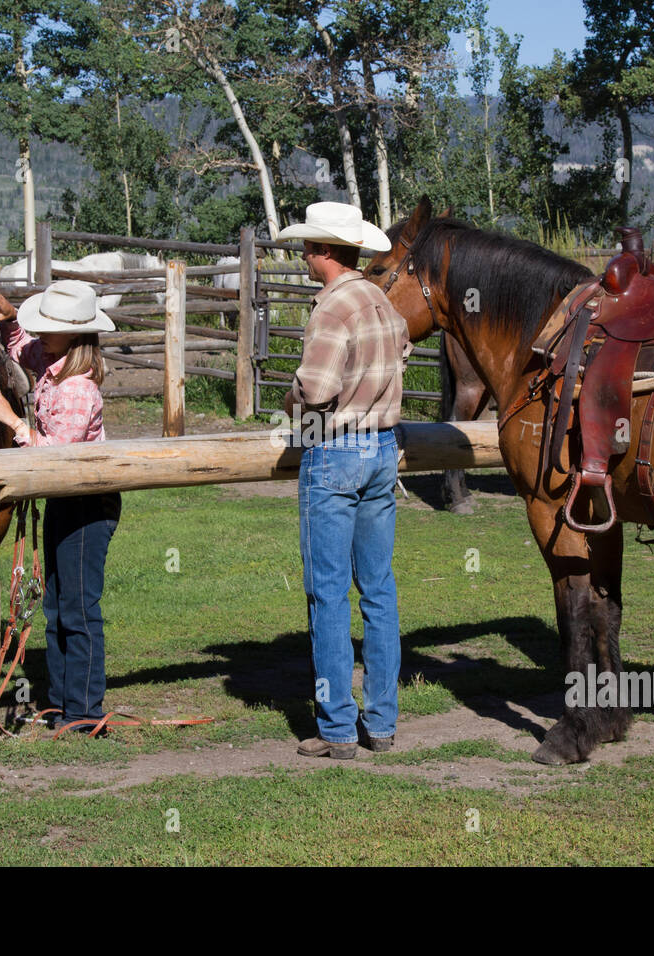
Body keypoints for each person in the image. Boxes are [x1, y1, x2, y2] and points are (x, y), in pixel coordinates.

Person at [279, 202, 412, 759]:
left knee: (328, 593)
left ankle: (337, 728)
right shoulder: (380, 300)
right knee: (377, 588)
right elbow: (403, 347)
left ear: (325, 252)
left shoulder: (332, 310)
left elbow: (315, 390)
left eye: (309, 247)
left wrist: (290, 403)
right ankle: (381, 722)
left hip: (335, 451)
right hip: (383, 448)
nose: (305, 255)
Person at [0, 280, 122, 734]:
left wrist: (12, 420)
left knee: (77, 606)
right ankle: (65, 704)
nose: (40, 334)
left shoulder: (78, 388)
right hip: (70, 498)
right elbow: (23, 350)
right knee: (60, 606)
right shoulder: (53, 361)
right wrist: (8, 318)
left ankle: (83, 710)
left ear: (74, 335)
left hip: (85, 502)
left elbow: (55, 452)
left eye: (49, 328)